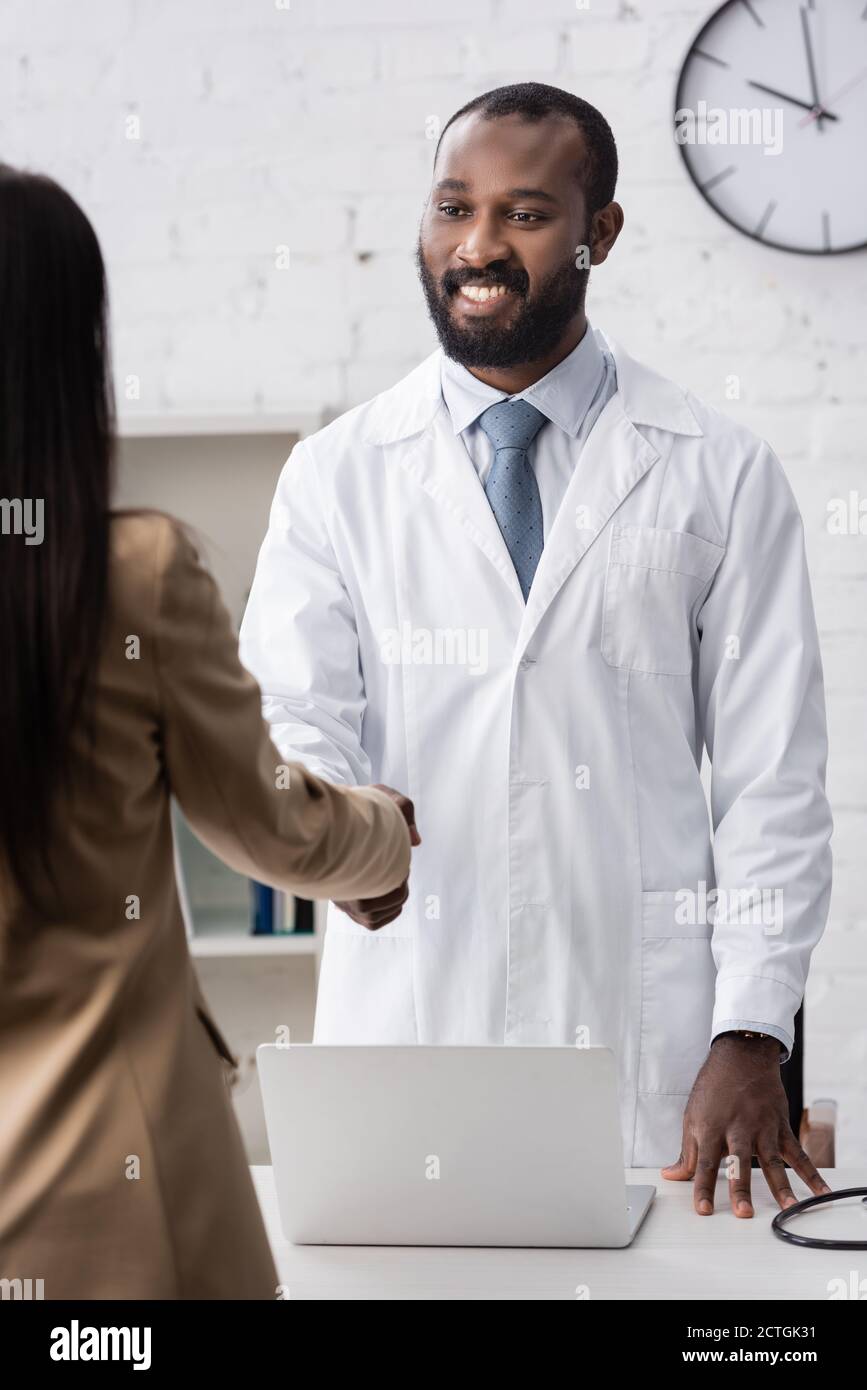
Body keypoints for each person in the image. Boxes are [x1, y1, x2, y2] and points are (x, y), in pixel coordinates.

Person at [239, 82, 834, 1217]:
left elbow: (773, 783)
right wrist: (338, 835)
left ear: (598, 233)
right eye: (451, 206)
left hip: (647, 1058)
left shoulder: (717, 469)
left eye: (523, 214)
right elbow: (288, 721)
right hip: (409, 1033)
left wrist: (752, 1032)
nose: (476, 245)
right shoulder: (338, 473)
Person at [0, 164, 417, 1299]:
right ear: (62, 348)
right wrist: (385, 835)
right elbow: (270, 826)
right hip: (112, 1204)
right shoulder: (125, 575)